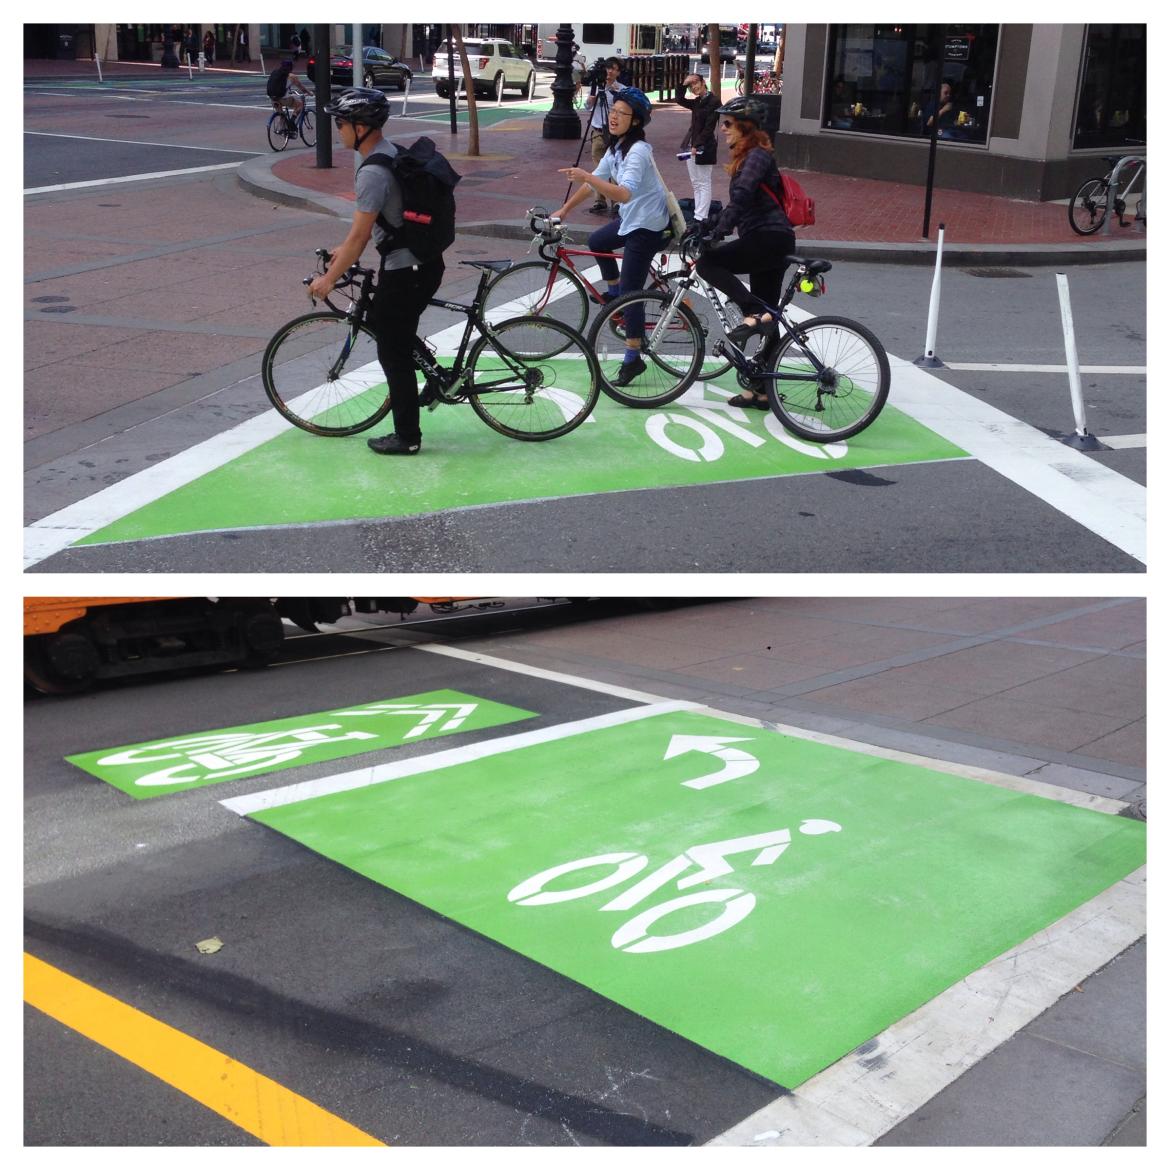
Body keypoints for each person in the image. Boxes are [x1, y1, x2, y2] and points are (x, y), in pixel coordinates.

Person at [309, 90, 445, 457]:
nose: (338, 130)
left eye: (341, 123)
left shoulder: (372, 172)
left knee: (392, 352)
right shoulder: (391, 153)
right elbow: (375, 226)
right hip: (421, 262)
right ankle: (436, 377)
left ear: (361, 127)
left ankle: (408, 436)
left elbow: (358, 237)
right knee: (390, 327)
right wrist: (343, 252)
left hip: (407, 270)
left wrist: (328, 279)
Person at [551, 87, 670, 388]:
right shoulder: (616, 148)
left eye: (622, 114)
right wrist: (564, 210)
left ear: (636, 122)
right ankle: (615, 295)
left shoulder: (638, 152)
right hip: (631, 219)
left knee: (633, 293)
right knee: (597, 242)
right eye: (613, 112)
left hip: (647, 225)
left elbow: (623, 192)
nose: (614, 117)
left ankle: (633, 359)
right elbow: (596, 184)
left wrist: (588, 177)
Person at [695, 96, 795, 409]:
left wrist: (717, 233)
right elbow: (739, 205)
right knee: (770, 320)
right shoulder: (751, 156)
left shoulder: (756, 157)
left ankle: (753, 312)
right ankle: (761, 390)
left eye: (728, 123)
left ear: (746, 127)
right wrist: (705, 225)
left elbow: (740, 200)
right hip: (770, 239)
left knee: (707, 263)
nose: (722, 129)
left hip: (768, 238)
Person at [675, 72, 719, 222]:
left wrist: (697, 145)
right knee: (695, 182)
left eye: (696, 83)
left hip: (704, 147)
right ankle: (698, 214)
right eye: (691, 85)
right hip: (691, 146)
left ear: (703, 82)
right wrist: (683, 84)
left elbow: (709, 128)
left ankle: (702, 216)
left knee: (704, 181)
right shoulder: (696, 102)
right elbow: (679, 99)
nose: (694, 87)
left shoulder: (714, 101)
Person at [584, 57, 623, 214]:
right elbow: (587, 107)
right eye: (608, 68)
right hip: (597, 131)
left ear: (618, 72)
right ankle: (599, 200)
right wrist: (590, 101)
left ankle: (616, 202)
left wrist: (616, 92)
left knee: (614, 167)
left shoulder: (621, 89)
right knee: (599, 168)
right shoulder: (596, 87)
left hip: (614, 133)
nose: (610, 71)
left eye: (614, 69)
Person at [266, 59, 309, 124]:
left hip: (273, 99)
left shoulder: (274, 72)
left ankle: (282, 130)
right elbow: (302, 88)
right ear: (291, 67)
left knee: (282, 115)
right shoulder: (292, 76)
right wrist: (309, 93)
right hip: (285, 99)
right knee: (300, 105)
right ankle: (292, 121)